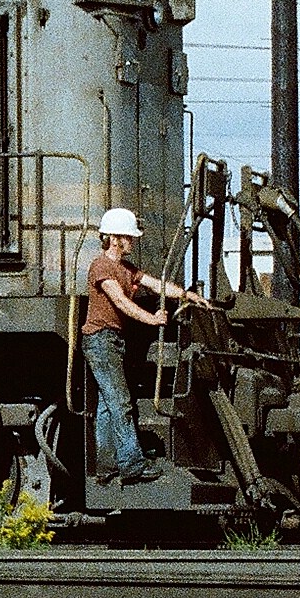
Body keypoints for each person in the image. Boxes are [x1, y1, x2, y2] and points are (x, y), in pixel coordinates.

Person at [83, 206, 207, 484]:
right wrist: (152, 319)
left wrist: (186, 295)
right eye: (129, 237)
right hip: (100, 340)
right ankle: (131, 464)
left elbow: (156, 285)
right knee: (121, 403)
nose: (132, 242)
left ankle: (106, 465)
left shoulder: (126, 269)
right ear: (115, 239)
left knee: (107, 406)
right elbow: (120, 302)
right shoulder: (101, 267)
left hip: (111, 341)